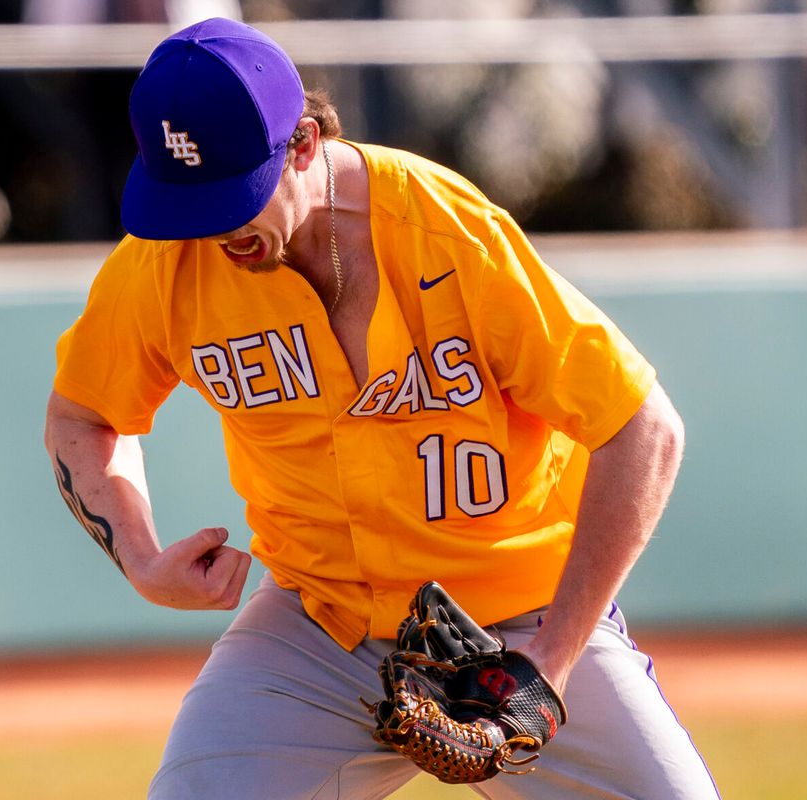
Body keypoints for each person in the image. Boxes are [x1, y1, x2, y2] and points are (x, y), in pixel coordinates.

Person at [44, 17, 719, 800]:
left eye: (235, 193)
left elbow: (643, 428)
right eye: (187, 200)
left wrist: (548, 667)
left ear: (301, 144)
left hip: (523, 619)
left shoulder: (447, 234)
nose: (214, 225)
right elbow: (83, 414)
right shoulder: (168, 262)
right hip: (317, 625)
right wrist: (140, 555)